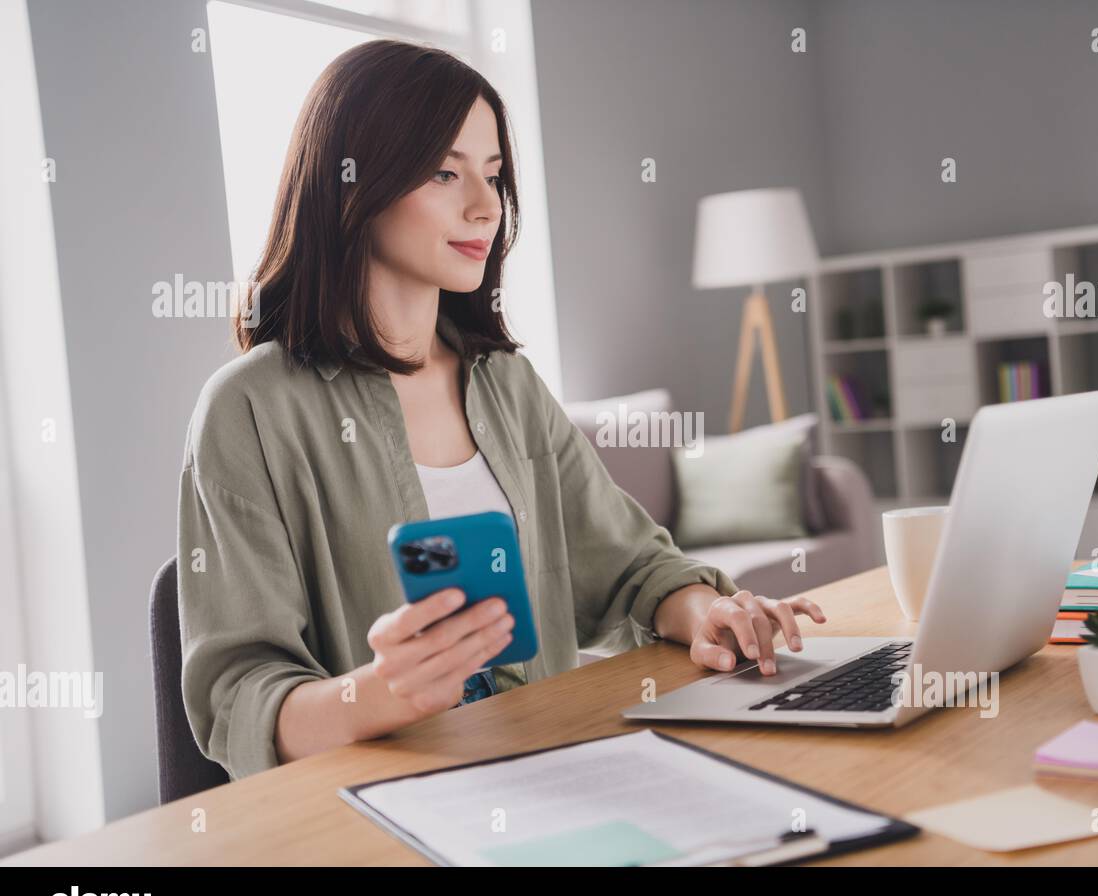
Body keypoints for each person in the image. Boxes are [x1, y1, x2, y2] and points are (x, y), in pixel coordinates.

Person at [178, 39, 824, 781]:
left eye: (492, 175)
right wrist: (379, 693)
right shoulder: (248, 411)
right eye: (444, 172)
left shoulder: (506, 383)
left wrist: (705, 614)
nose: (486, 206)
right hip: (377, 808)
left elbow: (627, 565)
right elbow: (236, 696)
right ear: (351, 184)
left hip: (555, 770)